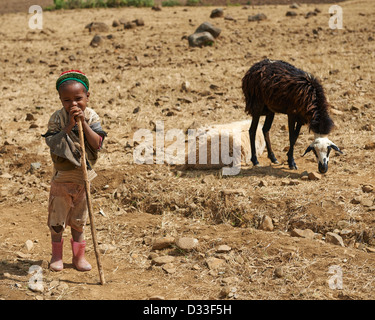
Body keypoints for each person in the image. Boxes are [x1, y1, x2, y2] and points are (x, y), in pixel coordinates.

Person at [42, 70, 107, 271]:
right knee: (57, 221)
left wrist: (83, 123)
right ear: (61, 100)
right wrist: (69, 126)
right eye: (67, 100)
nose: (73, 104)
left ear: (87, 97)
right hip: (62, 179)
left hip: (83, 179)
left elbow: (97, 143)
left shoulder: (91, 116)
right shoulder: (58, 118)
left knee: (79, 221)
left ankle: (79, 258)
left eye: (78, 99)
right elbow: (53, 143)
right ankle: (56, 257)